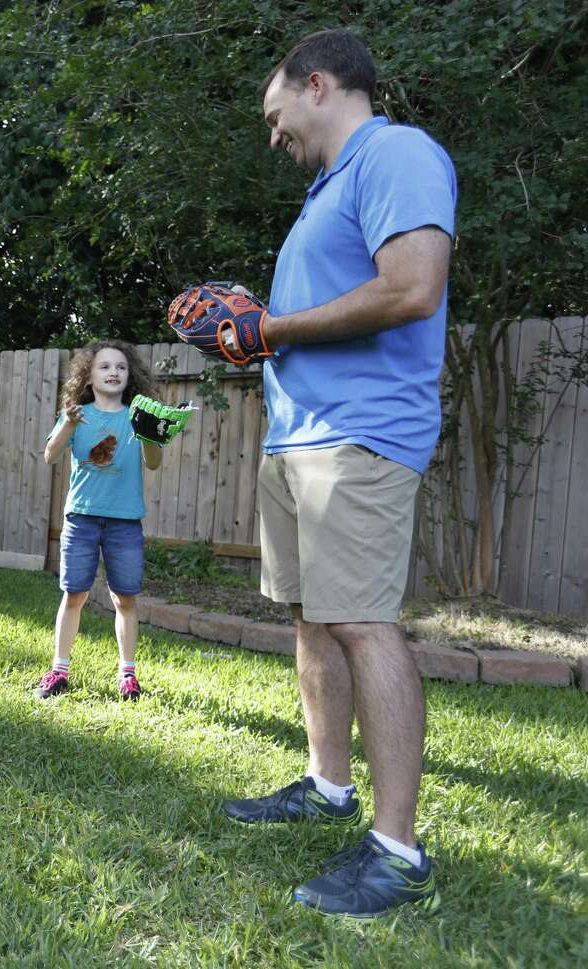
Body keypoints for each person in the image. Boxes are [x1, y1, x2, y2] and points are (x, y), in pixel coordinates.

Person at [216, 30, 456, 917]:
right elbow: (331, 307)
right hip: (301, 438)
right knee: (313, 618)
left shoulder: (395, 154)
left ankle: (397, 850)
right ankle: (327, 783)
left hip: (360, 438)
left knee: (362, 621)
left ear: (318, 86)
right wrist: (257, 330)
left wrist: (270, 329)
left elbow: (411, 287)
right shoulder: (328, 192)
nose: (274, 137)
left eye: (278, 118)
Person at [35, 340, 164, 702]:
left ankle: (128, 676)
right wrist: (68, 424)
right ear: (88, 376)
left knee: (125, 599)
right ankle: (58, 671)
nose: (113, 372)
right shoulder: (77, 414)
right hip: (82, 519)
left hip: (124, 522)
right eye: (105, 366)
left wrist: (152, 434)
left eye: (121, 367)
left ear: (129, 376)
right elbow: (49, 455)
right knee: (74, 594)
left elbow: (153, 462)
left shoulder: (137, 416)